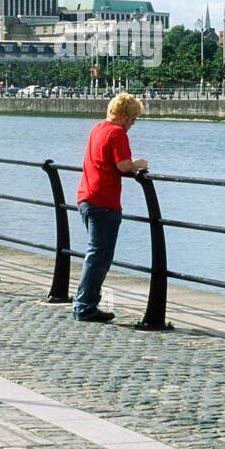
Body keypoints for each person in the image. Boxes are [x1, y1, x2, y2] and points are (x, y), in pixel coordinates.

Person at [72, 92, 148, 322]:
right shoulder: (117, 133)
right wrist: (139, 164)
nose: (132, 125)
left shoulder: (97, 128)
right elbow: (123, 165)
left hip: (86, 196)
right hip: (103, 202)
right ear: (124, 116)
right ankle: (84, 306)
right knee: (99, 256)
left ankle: (86, 304)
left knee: (96, 254)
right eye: (133, 119)